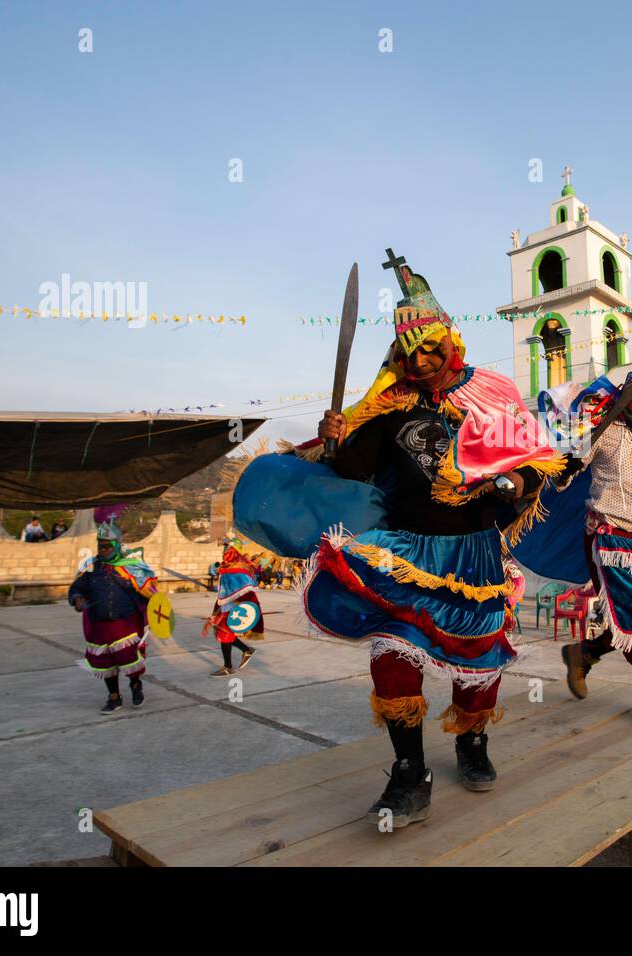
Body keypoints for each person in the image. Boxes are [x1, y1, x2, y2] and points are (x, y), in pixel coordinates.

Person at [236, 250, 565, 829]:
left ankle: (471, 742)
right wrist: (335, 437)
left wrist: (514, 479)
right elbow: (354, 470)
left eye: (431, 351)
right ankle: (410, 772)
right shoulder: (389, 403)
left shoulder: (492, 393)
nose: (421, 363)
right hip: (406, 547)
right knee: (392, 653)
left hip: (475, 551)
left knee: (476, 662)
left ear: (451, 343)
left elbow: (539, 460)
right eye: (409, 355)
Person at [549, 348, 632, 726]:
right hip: (607, 538)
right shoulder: (605, 433)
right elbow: (567, 466)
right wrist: (568, 462)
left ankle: (585, 654)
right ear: (628, 398)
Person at [69, 506, 156, 713]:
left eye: (108, 546)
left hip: (124, 623)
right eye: (101, 546)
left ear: (117, 545)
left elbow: (151, 592)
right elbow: (77, 587)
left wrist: (130, 583)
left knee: (129, 659)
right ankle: (114, 697)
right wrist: (77, 599)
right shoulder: (91, 566)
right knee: (104, 663)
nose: (104, 550)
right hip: (99, 625)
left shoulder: (131, 566)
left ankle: (136, 686)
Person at [206, 537, 263, 676]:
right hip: (226, 609)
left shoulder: (238, 570)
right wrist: (216, 611)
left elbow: (246, 592)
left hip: (234, 610)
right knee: (225, 635)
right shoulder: (229, 569)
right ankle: (246, 650)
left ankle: (228, 666)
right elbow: (223, 593)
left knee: (224, 636)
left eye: (227, 551)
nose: (225, 554)